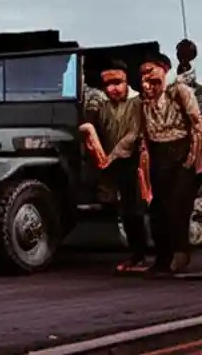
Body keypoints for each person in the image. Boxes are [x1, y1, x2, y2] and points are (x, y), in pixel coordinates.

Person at [108, 53, 202, 274]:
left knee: (178, 207)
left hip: (182, 154)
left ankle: (180, 254)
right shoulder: (143, 102)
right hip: (159, 157)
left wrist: (193, 160)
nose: (146, 79)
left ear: (164, 69)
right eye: (142, 74)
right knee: (158, 208)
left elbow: (197, 125)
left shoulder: (179, 92)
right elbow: (136, 133)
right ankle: (163, 257)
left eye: (150, 71)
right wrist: (112, 156)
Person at [80, 60, 147, 272]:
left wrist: (113, 155)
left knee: (138, 210)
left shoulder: (138, 102)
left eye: (117, 83)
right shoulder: (103, 105)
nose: (112, 88)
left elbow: (134, 134)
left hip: (136, 161)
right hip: (114, 164)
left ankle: (148, 255)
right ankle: (136, 256)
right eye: (107, 84)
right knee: (126, 211)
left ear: (126, 81)